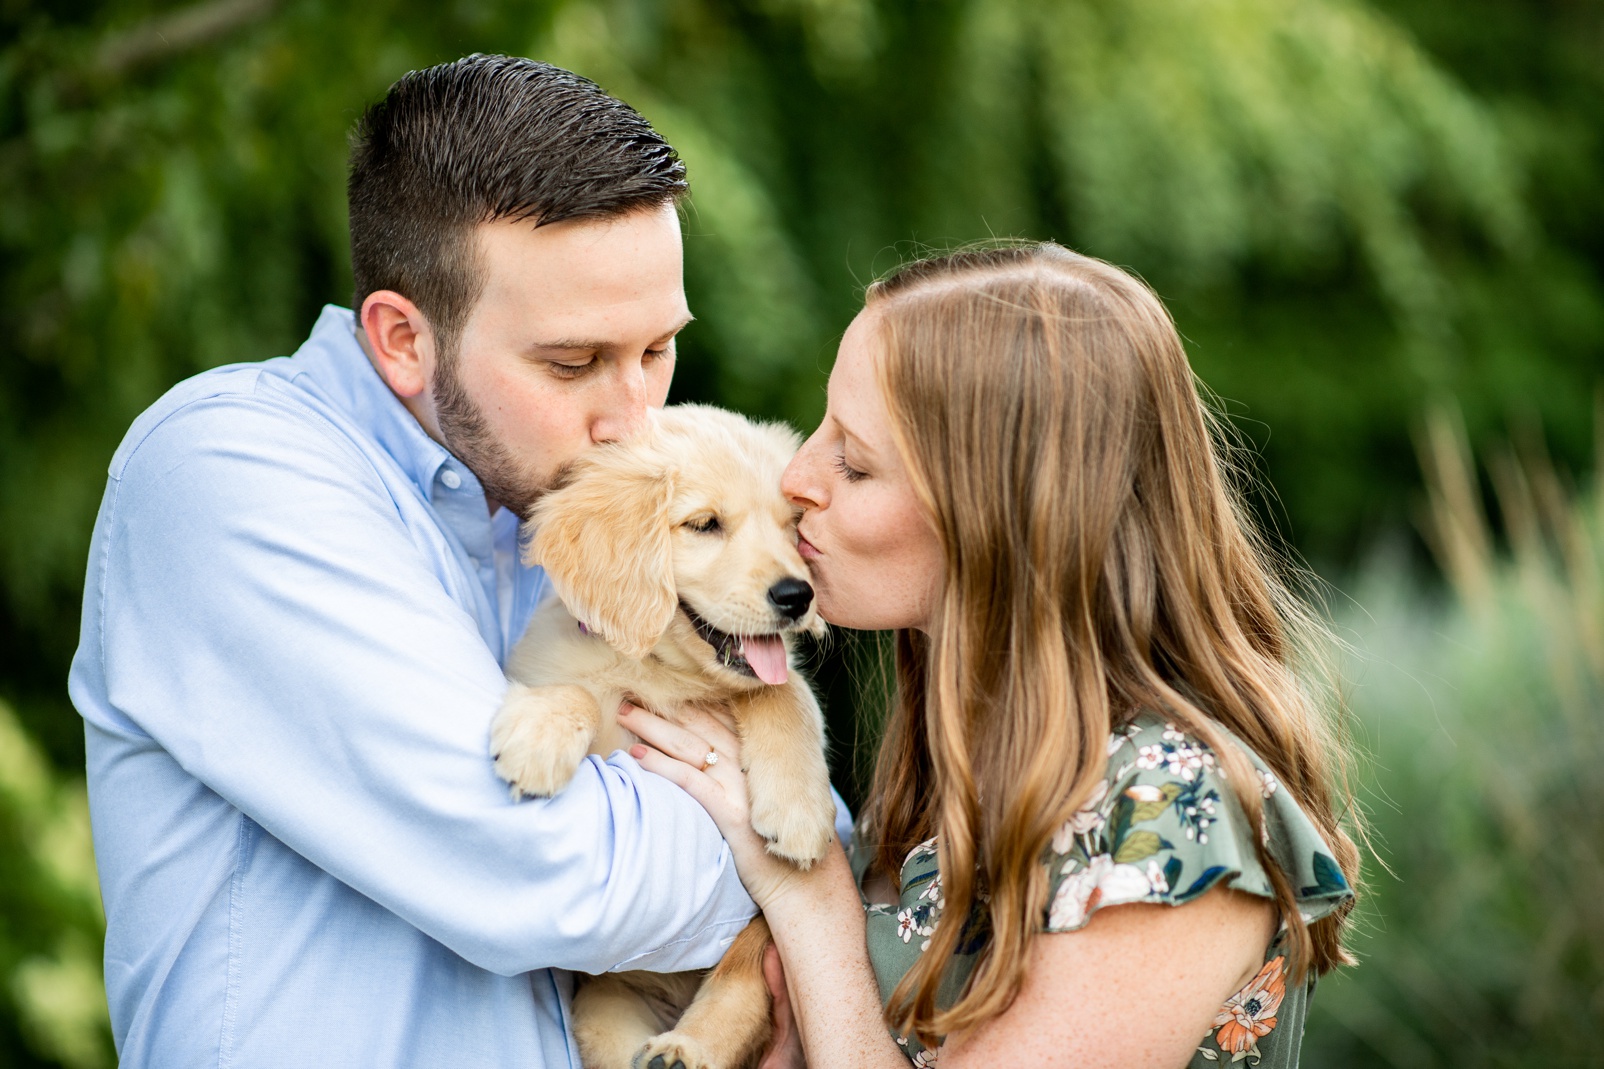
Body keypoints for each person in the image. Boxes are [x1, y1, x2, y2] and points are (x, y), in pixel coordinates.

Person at [68, 54, 844, 1068]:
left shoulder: (579, 502)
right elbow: (544, 870)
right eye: (572, 363)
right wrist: (791, 878)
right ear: (401, 339)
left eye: (657, 349)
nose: (633, 419)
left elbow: (808, 801)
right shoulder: (228, 468)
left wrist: (793, 826)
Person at [625, 243, 1360, 1068]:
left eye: (855, 463)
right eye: (821, 429)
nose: (796, 477)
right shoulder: (953, 768)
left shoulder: (1173, 813)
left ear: (1000, 517)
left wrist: (807, 889)